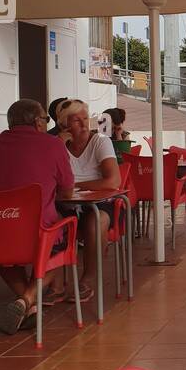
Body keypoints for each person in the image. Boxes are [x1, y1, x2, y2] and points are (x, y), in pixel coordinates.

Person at [0, 98, 75, 333]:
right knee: (61, 247)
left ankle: (28, 307)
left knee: (3, 259)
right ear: (37, 122)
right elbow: (67, 191)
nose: (46, 123)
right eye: (45, 118)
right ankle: (27, 300)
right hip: (40, 234)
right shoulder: (53, 145)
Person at [58, 99, 121, 301]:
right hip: (65, 204)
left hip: (99, 203)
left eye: (85, 119)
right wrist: (57, 147)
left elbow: (113, 181)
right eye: (76, 121)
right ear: (64, 125)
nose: (84, 125)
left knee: (97, 220)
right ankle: (54, 284)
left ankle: (88, 280)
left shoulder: (100, 141)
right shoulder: (56, 146)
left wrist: (76, 185)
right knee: (48, 220)